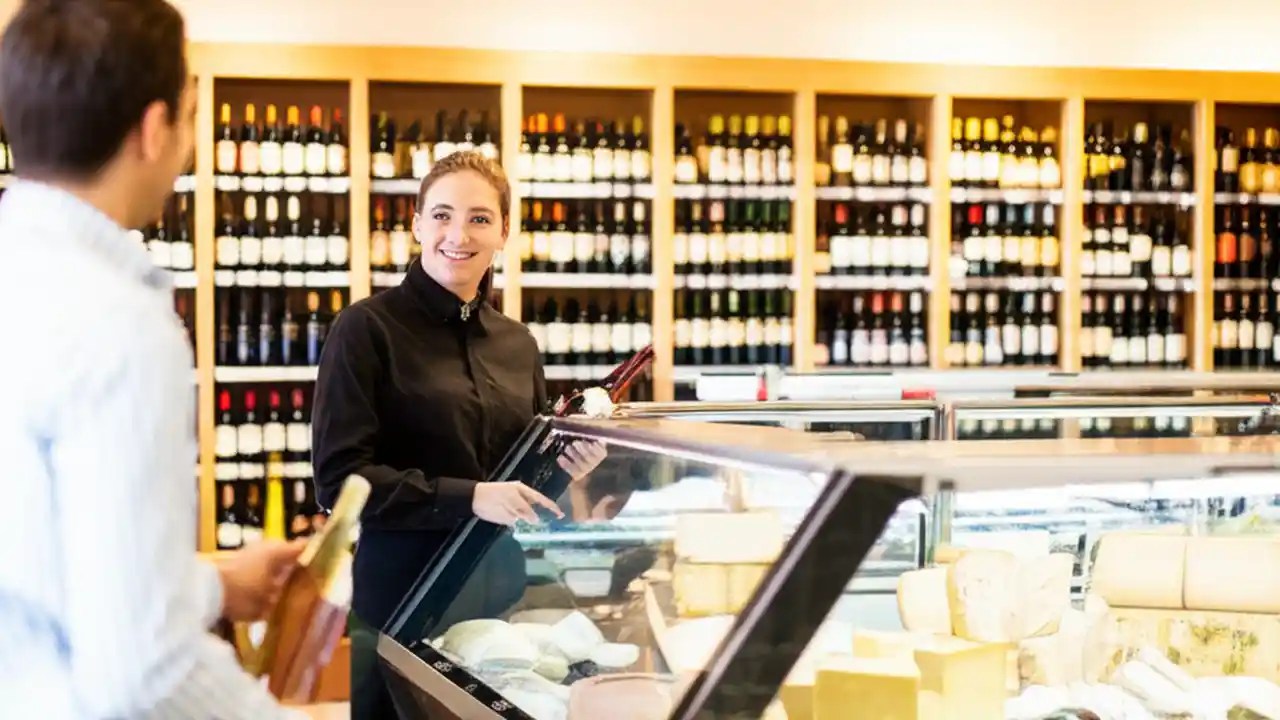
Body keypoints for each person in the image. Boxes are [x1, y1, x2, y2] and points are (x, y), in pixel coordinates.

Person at [0, 1, 310, 717]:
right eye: (191, 116)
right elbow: (146, 672)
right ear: (153, 129)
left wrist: (212, 585)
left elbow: (43, 568)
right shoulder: (119, 327)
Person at [312, 151, 603, 718]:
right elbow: (338, 482)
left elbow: (522, 484)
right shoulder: (366, 329)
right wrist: (469, 497)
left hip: (498, 602)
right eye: (443, 215)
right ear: (417, 225)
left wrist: (569, 470)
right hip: (400, 603)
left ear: (503, 232)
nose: (459, 235)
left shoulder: (518, 344)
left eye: (479, 218)